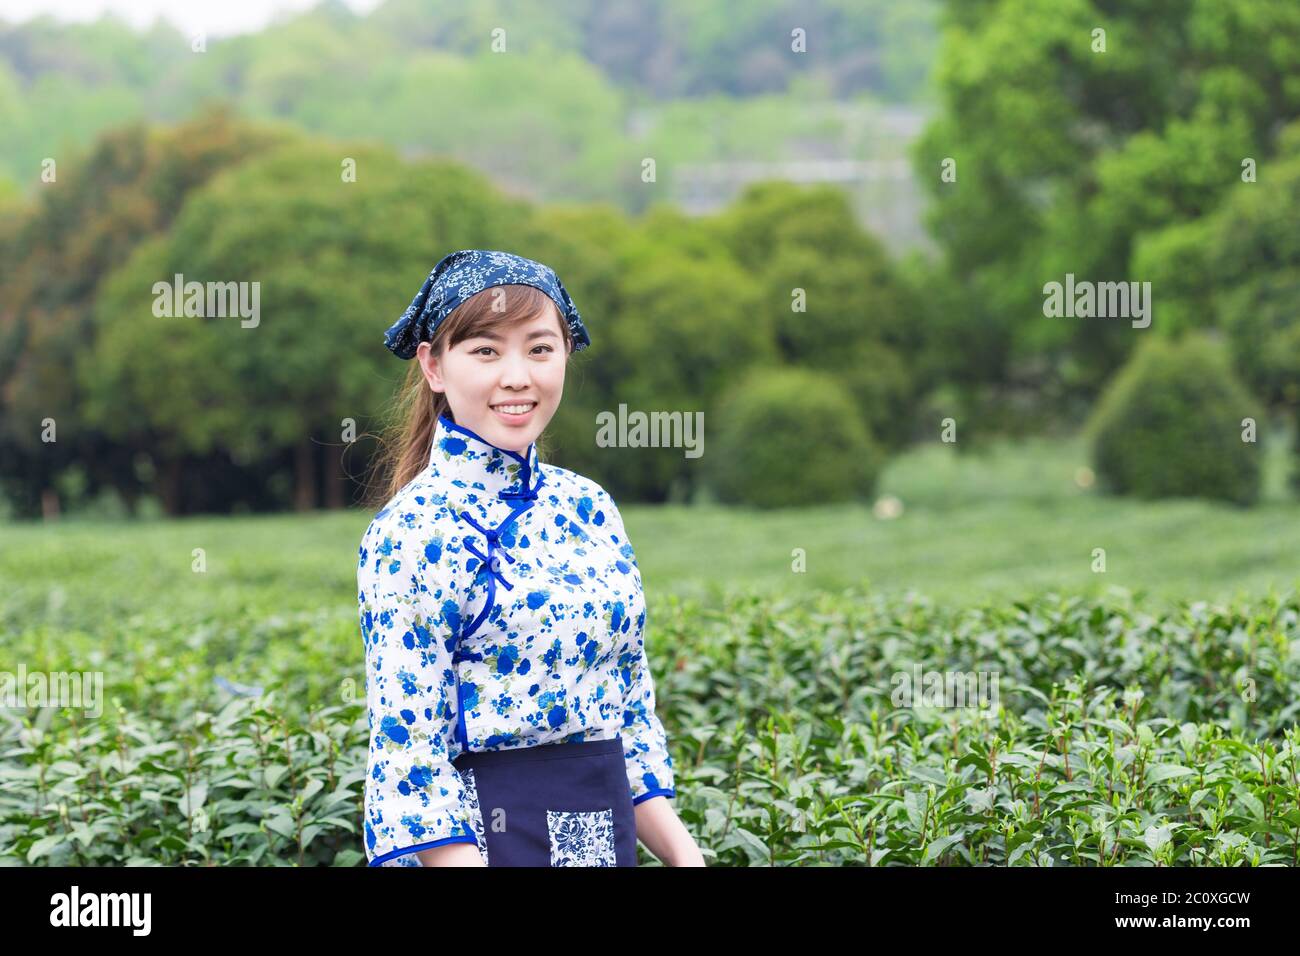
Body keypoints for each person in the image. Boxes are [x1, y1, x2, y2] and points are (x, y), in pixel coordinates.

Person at [357, 249, 704, 867]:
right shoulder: (412, 531)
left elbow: (624, 709)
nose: (517, 376)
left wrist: (684, 855)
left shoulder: (590, 508)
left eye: (540, 349)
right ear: (433, 366)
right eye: (486, 351)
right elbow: (410, 756)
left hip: (603, 840)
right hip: (482, 848)